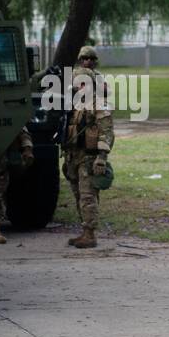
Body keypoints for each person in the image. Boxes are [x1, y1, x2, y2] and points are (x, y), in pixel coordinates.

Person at [61, 45, 112, 248]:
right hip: (72, 155)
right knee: (78, 194)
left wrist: (101, 157)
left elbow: (107, 132)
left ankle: (90, 234)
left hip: (89, 157)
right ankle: (84, 230)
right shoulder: (71, 104)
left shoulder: (99, 103)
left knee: (88, 195)